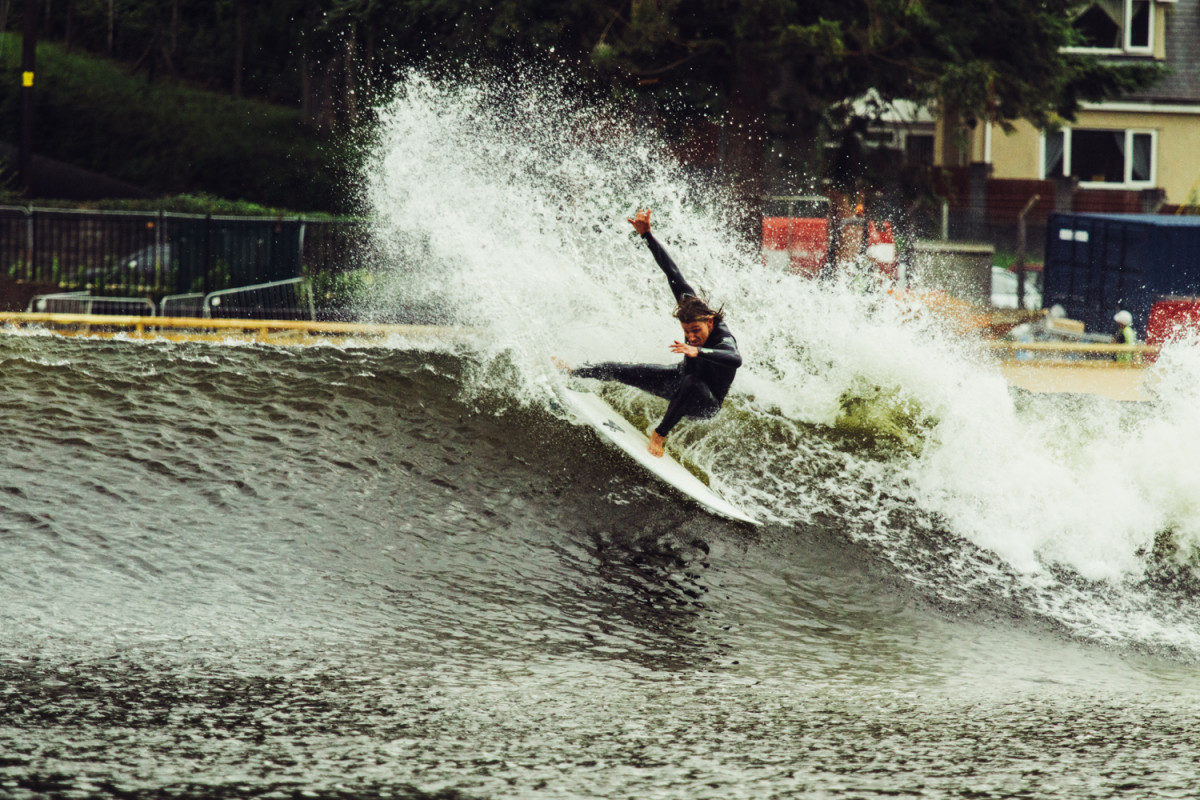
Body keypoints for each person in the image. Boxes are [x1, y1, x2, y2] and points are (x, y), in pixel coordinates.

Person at [570, 208, 742, 458]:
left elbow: (735, 359)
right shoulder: (691, 308)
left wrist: (699, 351)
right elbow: (672, 272)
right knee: (621, 370)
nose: (692, 336)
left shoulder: (724, 338)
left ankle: (659, 435)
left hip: (705, 403)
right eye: (687, 332)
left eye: (696, 331)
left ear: (710, 321)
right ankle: (572, 372)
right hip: (678, 380)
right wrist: (646, 235)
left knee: (693, 383)